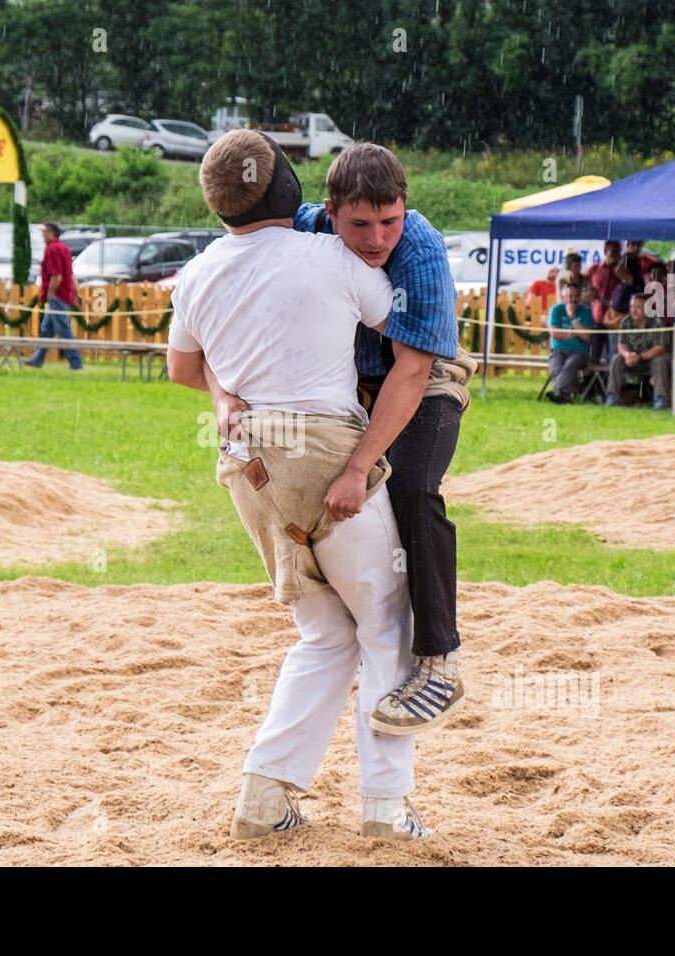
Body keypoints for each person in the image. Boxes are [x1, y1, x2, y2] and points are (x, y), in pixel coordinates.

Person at [167, 129, 431, 841]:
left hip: (245, 462)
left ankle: (263, 795)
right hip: (323, 450)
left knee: (324, 633)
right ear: (289, 187)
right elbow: (408, 348)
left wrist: (225, 394)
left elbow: (183, 369)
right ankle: (385, 807)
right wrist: (357, 467)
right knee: (386, 629)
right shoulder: (331, 256)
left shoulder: (195, 275)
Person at [292, 143, 470, 737]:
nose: (376, 239)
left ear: (405, 208)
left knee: (413, 489)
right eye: (360, 224)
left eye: (389, 220)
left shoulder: (419, 249)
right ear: (329, 212)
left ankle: (438, 662)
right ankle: (338, 619)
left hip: (422, 375)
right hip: (342, 378)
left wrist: (359, 465)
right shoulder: (299, 230)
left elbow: (413, 372)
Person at [23, 221, 82, 370]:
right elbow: (70, 273)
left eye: (44, 232)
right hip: (64, 293)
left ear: (51, 233)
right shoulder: (64, 248)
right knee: (47, 329)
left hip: (57, 294)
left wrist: (50, 293)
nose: (42, 235)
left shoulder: (52, 249)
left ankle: (76, 363)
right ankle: (37, 359)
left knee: (63, 329)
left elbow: (57, 275)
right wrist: (77, 292)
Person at [607, 292, 670, 410]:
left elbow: (660, 347)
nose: (634, 310)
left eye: (638, 307)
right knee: (617, 359)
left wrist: (640, 356)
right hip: (633, 359)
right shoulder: (625, 321)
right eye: (632, 307)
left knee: (660, 360)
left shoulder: (657, 322)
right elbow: (621, 344)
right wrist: (627, 355)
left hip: (652, 358)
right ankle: (612, 398)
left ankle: (661, 400)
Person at [545, 281, 594, 404]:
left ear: (580, 296)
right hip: (557, 351)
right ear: (563, 297)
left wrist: (572, 318)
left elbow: (586, 337)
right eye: (570, 296)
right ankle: (564, 397)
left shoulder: (586, 311)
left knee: (570, 365)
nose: (573, 299)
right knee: (556, 369)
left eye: (576, 296)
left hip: (579, 352)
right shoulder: (556, 310)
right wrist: (575, 333)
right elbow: (554, 334)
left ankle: (557, 391)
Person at [586, 239, 622, 364]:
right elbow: (585, 290)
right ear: (605, 251)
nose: (616, 254)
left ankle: (609, 382)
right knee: (594, 354)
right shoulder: (594, 270)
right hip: (596, 317)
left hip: (614, 320)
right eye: (613, 251)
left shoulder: (621, 272)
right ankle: (592, 382)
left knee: (612, 354)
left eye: (618, 251)